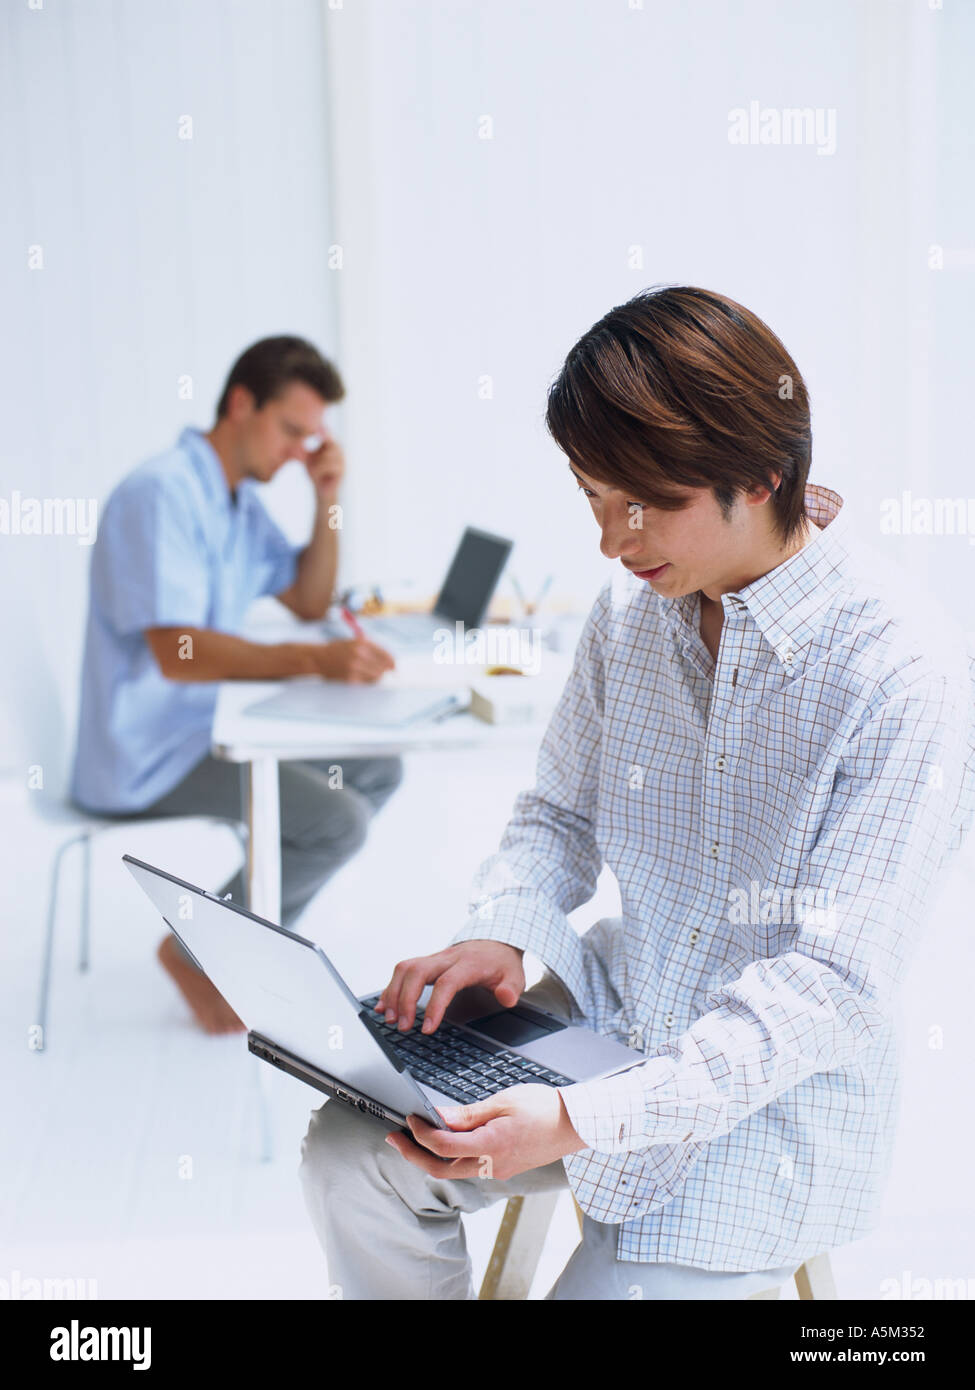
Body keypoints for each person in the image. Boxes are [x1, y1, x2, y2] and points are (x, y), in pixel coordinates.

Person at [298, 287, 975, 1300]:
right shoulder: (633, 614)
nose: (613, 542)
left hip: (765, 1116)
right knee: (350, 1153)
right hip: (614, 1016)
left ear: (762, 473)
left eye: (644, 503)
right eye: (594, 499)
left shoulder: (901, 673)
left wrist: (577, 1120)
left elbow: (828, 988)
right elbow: (557, 818)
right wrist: (508, 934)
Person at [71, 336, 402, 1034]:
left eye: (309, 439)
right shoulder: (163, 492)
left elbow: (311, 602)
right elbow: (180, 652)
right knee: (336, 823)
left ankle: (235, 938)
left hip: (201, 729)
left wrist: (327, 500)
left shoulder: (235, 503)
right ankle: (197, 955)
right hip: (145, 754)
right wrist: (312, 662)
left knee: (376, 768)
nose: (295, 452)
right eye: (290, 431)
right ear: (240, 403)